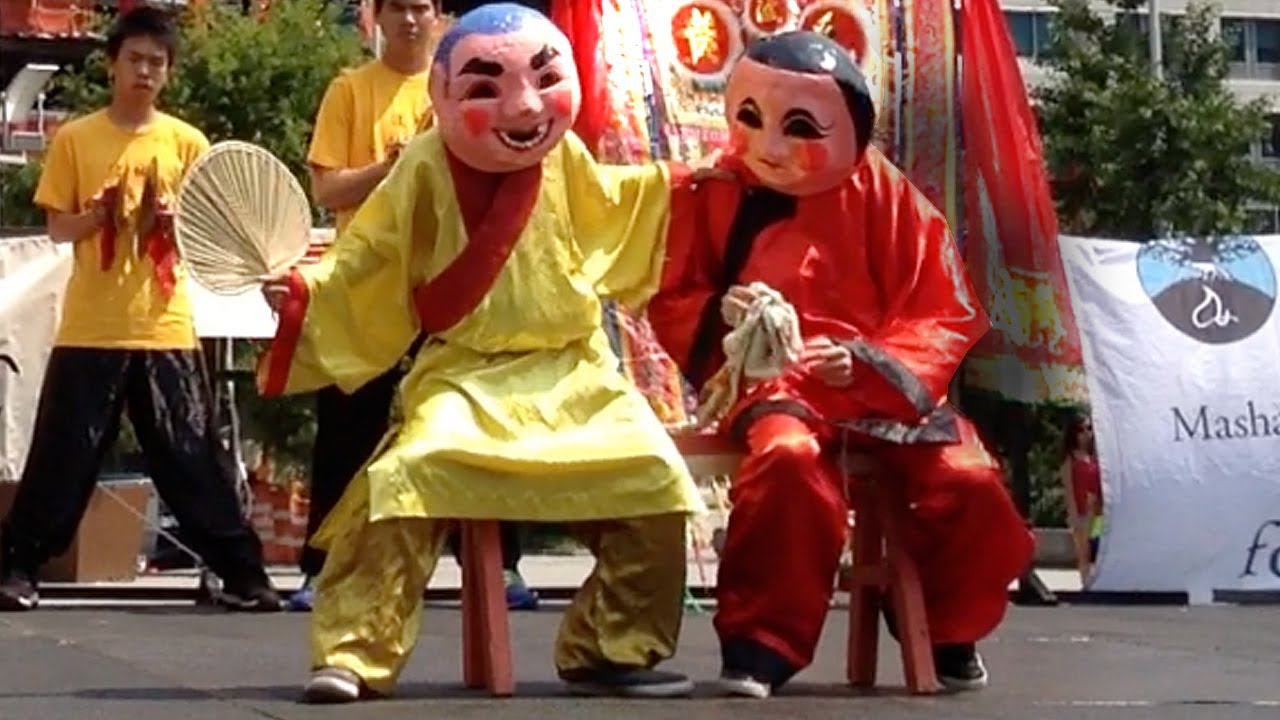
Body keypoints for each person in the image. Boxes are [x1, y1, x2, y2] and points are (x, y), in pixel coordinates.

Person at [257, 4, 706, 703]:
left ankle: (608, 647)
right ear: (444, 93)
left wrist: (690, 187)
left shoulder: (565, 154)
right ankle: (354, 652)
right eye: (486, 86)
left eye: (543, 78)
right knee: (404, 478)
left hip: (575, 373)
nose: (523, 104)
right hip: (465, 377)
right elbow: (369, 253)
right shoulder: (425, 163)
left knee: (655, 479)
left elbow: (615, 207)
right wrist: (302, 294)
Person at [648, 31, 1036, 698]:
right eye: (751, 119)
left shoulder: (888, 197)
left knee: (970, 482)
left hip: (880, 385)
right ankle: (761, 639)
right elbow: (674, 294)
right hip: (778, 382)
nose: (769, 146)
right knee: (788, 462)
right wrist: (731, 316)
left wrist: (866, 361)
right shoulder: (710, 190)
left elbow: (942, 307)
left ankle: (946, 624)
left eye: (798, 129)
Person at [0, 6, 281, 612]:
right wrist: (98, 215)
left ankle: (241, 571)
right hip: (91, 326)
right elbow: (57, 229)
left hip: (165, 323)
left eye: (157, 61)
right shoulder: (77, 137)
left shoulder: (186, 142)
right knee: (64, 451)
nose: (145, 71)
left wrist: (173, 223)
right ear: (112, 66)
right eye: (135, 59)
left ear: (168, 72)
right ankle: (18, 566)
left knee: (190, 450)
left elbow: (207, 240)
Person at [296, 0, 536, 612]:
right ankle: (325, 565)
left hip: (454, 280)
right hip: (370, 285)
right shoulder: (350, 92)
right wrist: (394, 168)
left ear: (440, 16)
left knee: (478, 416)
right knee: (351, 426)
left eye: (421, 7)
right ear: (375, 16)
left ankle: (499, 566)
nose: (410, 19)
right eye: (396, 6)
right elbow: (327, 188)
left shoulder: (469, 85)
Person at [1061, 412, 1102, 576]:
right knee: (1083, 551)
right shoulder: (1070, 458)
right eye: (1082, 430)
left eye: (1089, 429)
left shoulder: (1094, 457)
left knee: (1097, 550)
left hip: (1097, 511)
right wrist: (1073, 514)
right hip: (1081, 510)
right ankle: (1085, 581)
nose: (1086, 434)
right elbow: (1068, 487)